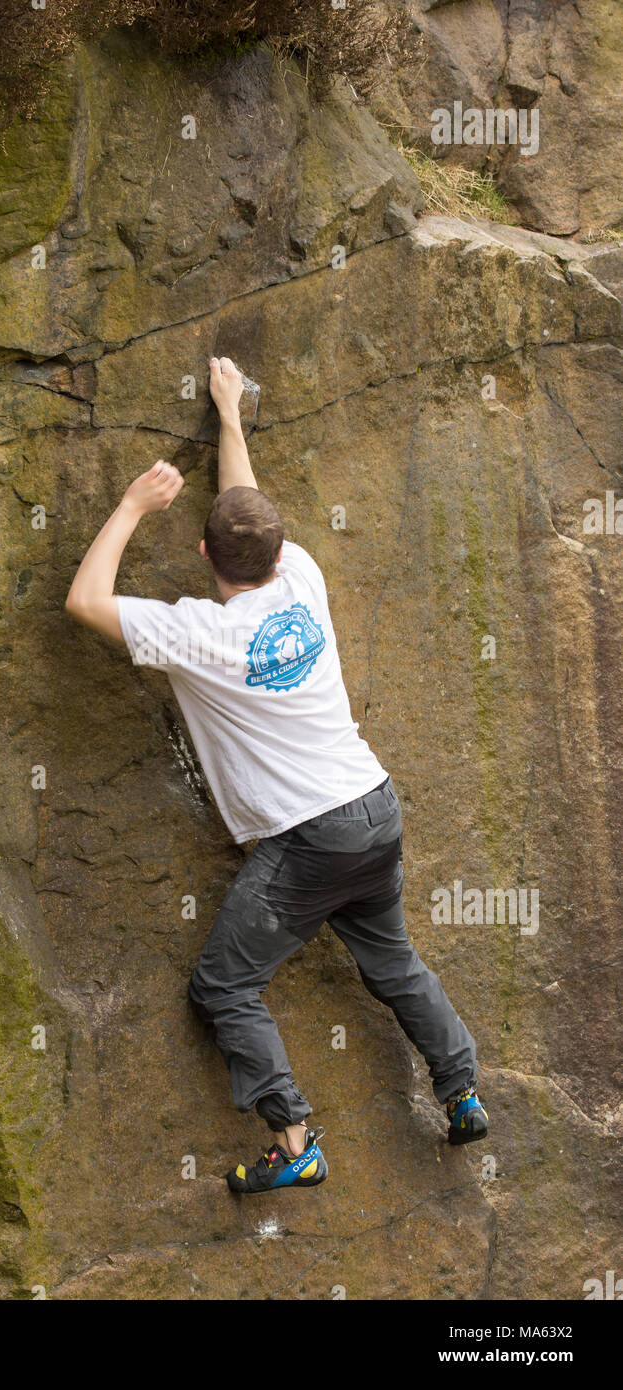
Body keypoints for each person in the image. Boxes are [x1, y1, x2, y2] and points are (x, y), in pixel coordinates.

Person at [65, 356, 488, 1195]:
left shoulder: (201, 636)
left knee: (223, 985)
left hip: (312, 838)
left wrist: (127, 507)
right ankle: (464, 1091)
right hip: (374, 808)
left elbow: (85, 601)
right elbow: (247, 510)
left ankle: (293, 1139)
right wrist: (229, 417)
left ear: (200, 553)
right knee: (394, 962)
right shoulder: (303, 577)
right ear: (277, 547)